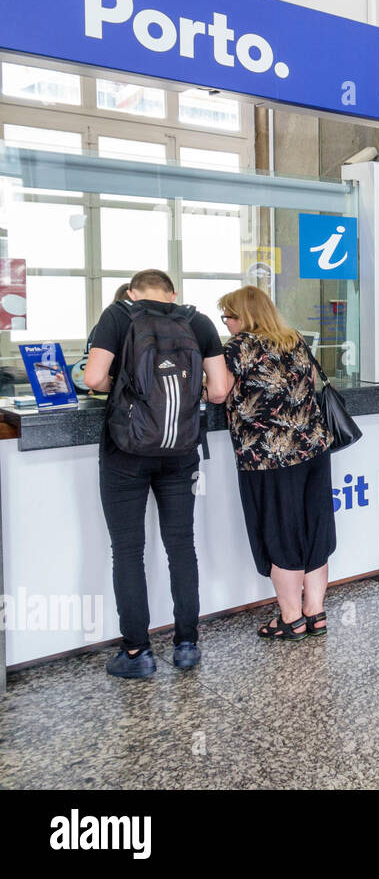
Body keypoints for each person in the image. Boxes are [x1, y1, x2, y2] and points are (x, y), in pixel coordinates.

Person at [84, 269, 230, 678]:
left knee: (128, 551)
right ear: (172, 293)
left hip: (125, 451)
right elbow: (219, 390)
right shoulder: (197, 321)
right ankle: (187, 645)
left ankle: (137, 654)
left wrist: (131, 387)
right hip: (181, 450)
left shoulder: (118, 316)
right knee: (181, 544)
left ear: (132, 293)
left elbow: (93, 378)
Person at [217, 286, 335, 640]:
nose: (226, 324)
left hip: (267, 457)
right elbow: (312, 381)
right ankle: (316, 613)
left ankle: (291, 618)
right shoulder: (293, 338)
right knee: (315, 532)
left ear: (243, 317)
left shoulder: (239, 346)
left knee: (280, 535)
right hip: (313, 450)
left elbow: (218, 391)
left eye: (228, 317)